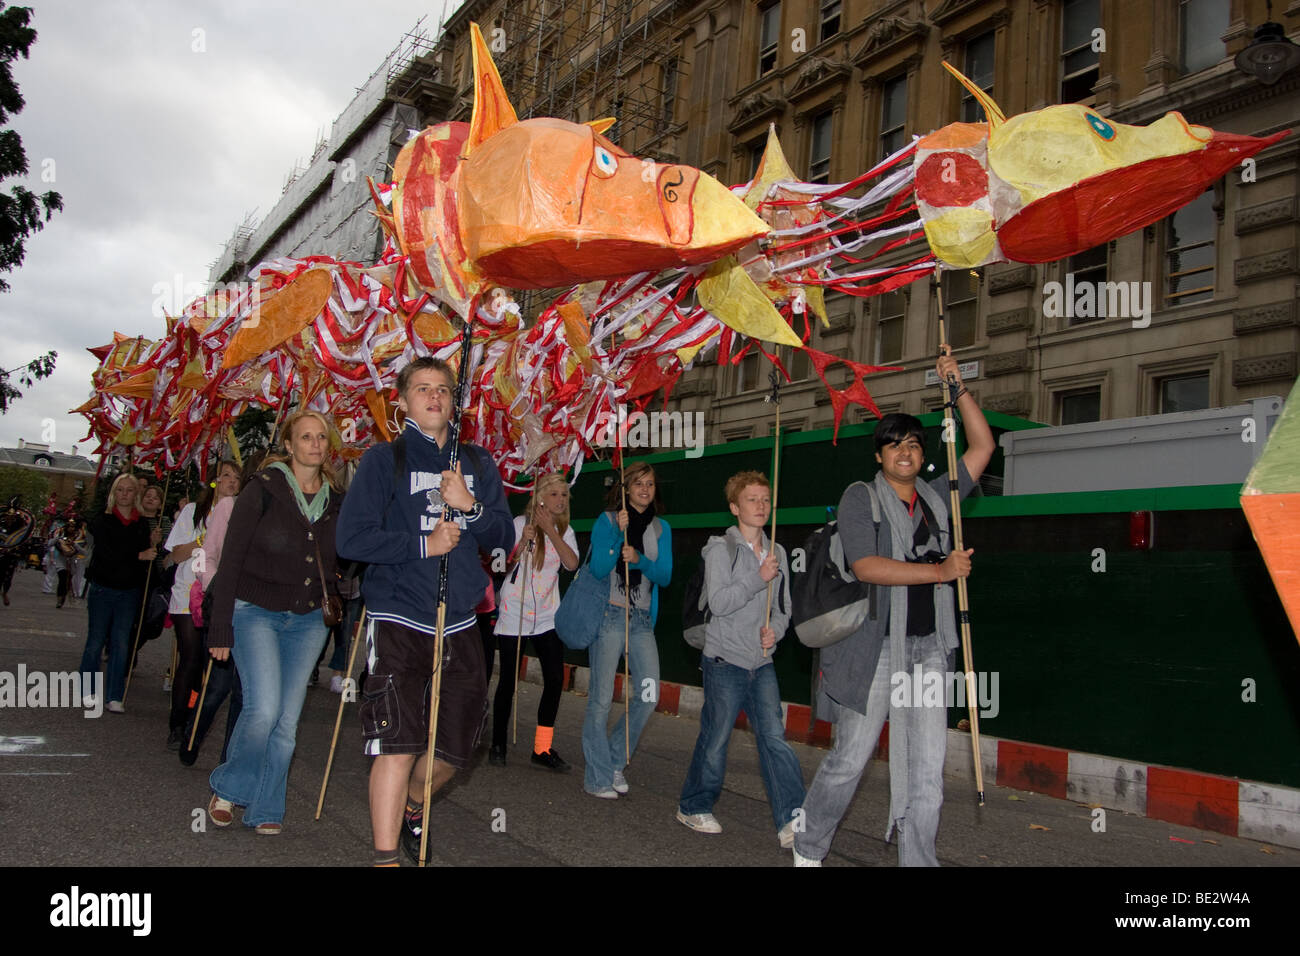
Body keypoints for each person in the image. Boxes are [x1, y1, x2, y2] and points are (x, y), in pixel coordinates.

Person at [793, 348, 994, 867]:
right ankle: (809, 845)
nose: (904, 450)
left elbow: (983, 445)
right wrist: (938, 571)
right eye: (893, 443)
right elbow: (866, 566)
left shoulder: (936, 494)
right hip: (875, 650)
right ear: (878, 455)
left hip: (929, 650)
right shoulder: (861, 498)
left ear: (922, 453)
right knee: (850, 760)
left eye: (912, 442)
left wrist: (958, 389)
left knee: (928, 770)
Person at [336, 356, 513, 867]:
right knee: (397, 743)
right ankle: (386, 858)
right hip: (398, 616)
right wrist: (424, 543)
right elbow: (351, 539)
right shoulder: (382, 460)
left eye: (442, 389)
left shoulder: (477, 463)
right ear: (403, 400)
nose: (433, 397)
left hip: (459, 620)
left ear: (454, 402)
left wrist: (471, 506)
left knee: (456, 748)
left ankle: (416, 803)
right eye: (421, 389)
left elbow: (504, 536)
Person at [204, 411, 344, 834]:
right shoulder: (263, 489)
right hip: (255, 612)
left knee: (286, 720)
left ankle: (267, 806)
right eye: (306, 437)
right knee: (263, 709)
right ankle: (229, 787)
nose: (315, 444)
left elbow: (347, 557)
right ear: (289, 445)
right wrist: (219, 626)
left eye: (321, 437)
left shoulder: (338, 499)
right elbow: (230, 562)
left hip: (308, 619)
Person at [676, 470, 804, 845]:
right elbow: (719, 602)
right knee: (716, 738)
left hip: (761, 661)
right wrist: (758, 578)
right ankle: (693, 806)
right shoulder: (721, 549)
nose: (761, 505)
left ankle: (792, 820)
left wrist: (775, 632)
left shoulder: (777, 551)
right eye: (752, 499)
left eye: (765, 499)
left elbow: (784, 609)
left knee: (774, 739)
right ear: (734, 507)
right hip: (723, 659)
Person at [581, 461, 671, 799]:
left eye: (649, 484)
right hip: (609, 616)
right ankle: (597, 777)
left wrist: (640, 560)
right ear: (625, 489)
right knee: (601, 700)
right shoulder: (607, 521)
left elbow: (665, 575)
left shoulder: (662, 528)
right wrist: (617, 535)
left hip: (642, 621)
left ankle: (615, 759)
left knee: (648, 695)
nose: (645, 490)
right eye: (637, 484)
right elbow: (600, 569)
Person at [489, 472, 579, 770]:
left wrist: (549, 531)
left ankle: (542, 748)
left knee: (555, 678)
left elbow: (571, 563)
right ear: (540, 497)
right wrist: (519, 546)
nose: (560, 500)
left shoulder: (565, 530)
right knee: (508, 680)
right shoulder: (518, 525)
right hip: (515, 611)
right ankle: (498, 742)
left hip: (547, 616)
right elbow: (498, 564)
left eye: (564, 495)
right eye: (554, 494)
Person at [162, 461, 240, 751]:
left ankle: (195, 719)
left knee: (212, 664)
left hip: (218, 595)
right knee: (191, 658)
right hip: (187, 593)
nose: (231, 481)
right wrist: (205, 539)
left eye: (236, 477)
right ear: (213, 482)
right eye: (225, 476)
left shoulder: (240, 514)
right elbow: (175, 554)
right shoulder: (193, 512)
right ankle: (177, 723)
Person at [78, 474, 160, 713]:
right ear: (114, 493)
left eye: (129, 490)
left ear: (136, 494)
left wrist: (151, 545)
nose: (124, 494)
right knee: (95, 641)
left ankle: (115, 694)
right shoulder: (102, 521)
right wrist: (139, 555)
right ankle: (87, 690)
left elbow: (143, 561)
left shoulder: (141, 524)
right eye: (120, 490)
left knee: (121, 643)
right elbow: (106, 555)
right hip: (103, 588)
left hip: (128, 591)